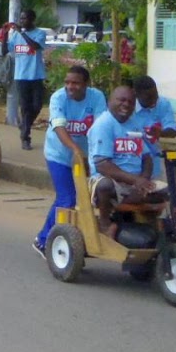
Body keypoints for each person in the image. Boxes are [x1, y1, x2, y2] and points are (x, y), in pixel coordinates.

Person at [36, 64, 108, 254]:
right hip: (58, 155)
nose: (70, 86)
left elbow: (100, 127)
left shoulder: (97, 97)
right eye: (67, 82)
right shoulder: (58, 98)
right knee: (67, 199)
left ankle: (84, 237)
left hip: (87, 157)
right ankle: (43, 240)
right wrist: (76, 149)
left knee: (90, 199)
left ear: (86, 84)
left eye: (75, 83)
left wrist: (93, 156)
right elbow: (59, 127)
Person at [87, 85, 164, 241]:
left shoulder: (133, 123)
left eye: (130, 101)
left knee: (165, 192)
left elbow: (147, 157)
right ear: (110, 101)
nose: (126, 104)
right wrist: (136, 181)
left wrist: (144, 180)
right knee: (105, 185)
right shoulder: (104, 124)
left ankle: (146, 228)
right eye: (121, 100)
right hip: (110, 181)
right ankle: (105, 225)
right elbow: (102, 165)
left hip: (133, 183)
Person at [5, 9, 50, 150]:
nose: (22, 21)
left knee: (37, 106)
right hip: (21, 77)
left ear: (32, 19)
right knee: (25, 108)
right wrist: (4, 34)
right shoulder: (16, 35)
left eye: (24, 19)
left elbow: (35, 46)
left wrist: (22, 32)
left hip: (36, 76)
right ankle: (25, 138)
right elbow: (5, 50)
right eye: (21, 18)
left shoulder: (40, 34)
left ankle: (24, 124)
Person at [131, 75, 176, 153]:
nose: (154, 101)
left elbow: (172, 131)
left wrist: (161, 133)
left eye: (156, 96)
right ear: (136, 94)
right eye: (149, 98)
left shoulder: (163, 103)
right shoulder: (128, 106)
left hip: (152, 156)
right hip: (131, 156)